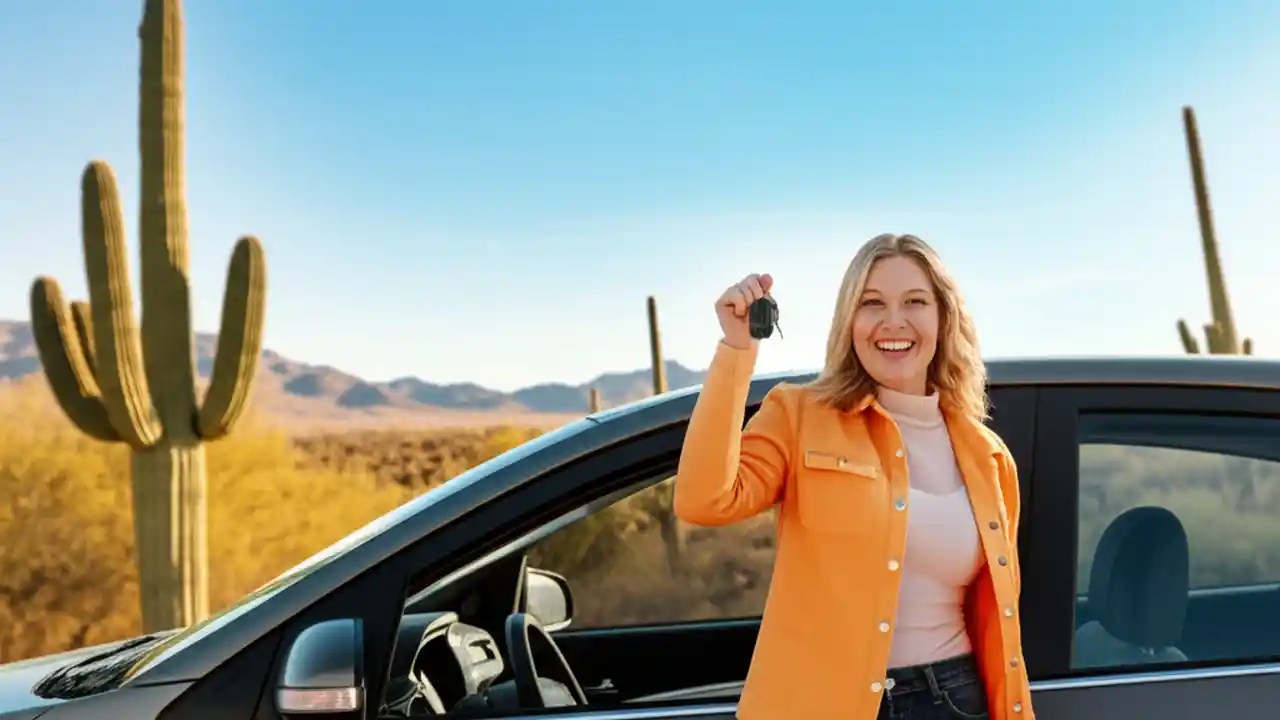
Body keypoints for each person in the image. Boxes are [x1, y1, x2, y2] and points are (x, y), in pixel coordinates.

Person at [672, 233, 1034, 720]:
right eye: (872, 303)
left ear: (943, 317)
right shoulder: (799, 415)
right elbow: (703, 499)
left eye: (915, 302)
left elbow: (997, 623)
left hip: (951, 699)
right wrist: (738, 349)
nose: (893, 321)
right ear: (850, 321)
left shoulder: (989, 457)